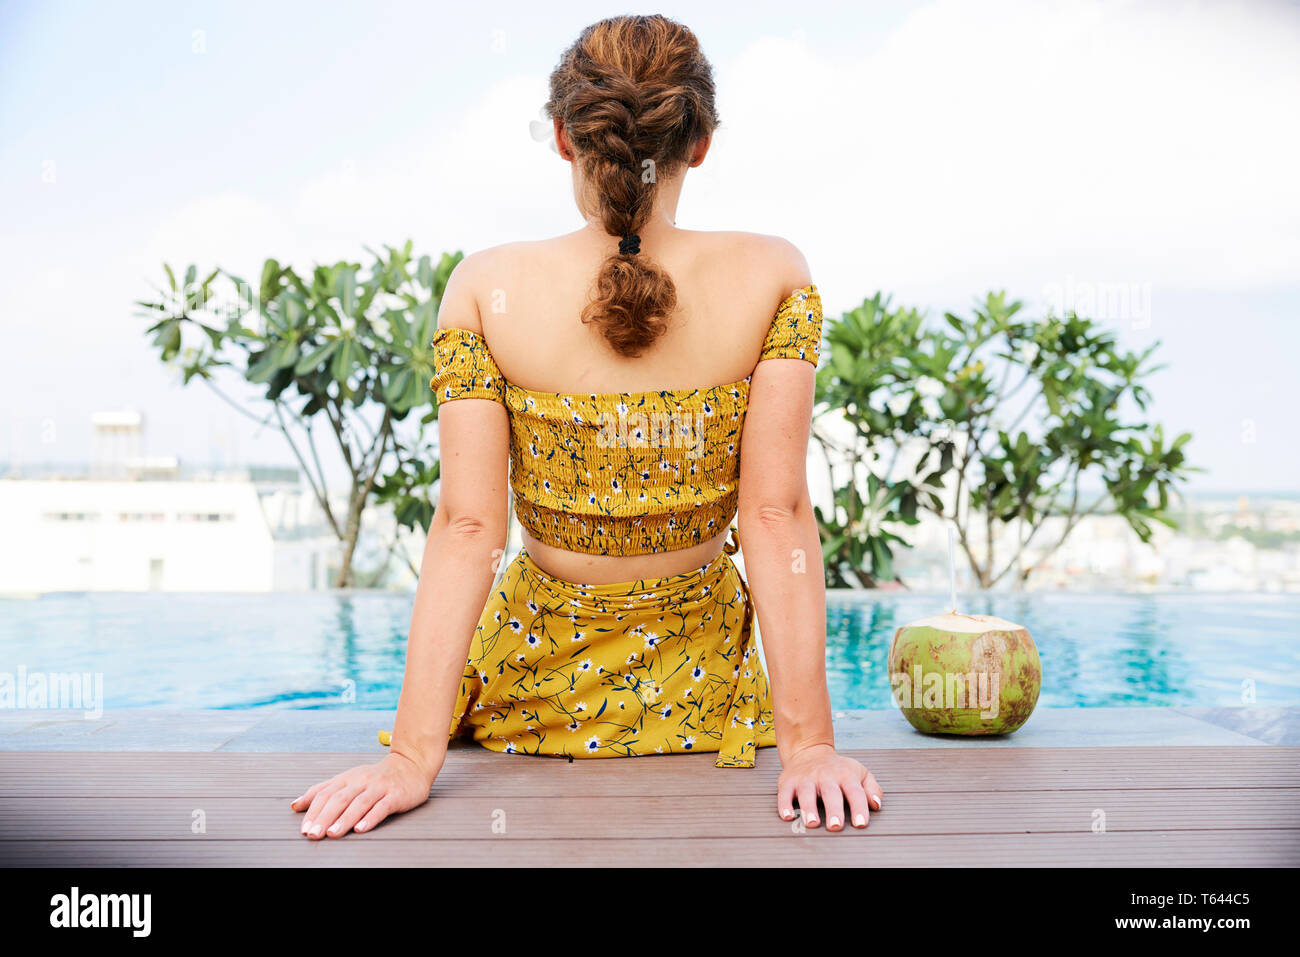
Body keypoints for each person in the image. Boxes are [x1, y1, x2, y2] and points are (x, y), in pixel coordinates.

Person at [292, 13, 883, 839]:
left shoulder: (482, 285)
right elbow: (776, 516)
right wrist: (810, 748)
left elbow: (469, 528)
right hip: (706, 694)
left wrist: (410, 760)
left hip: (527, 689)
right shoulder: (774, 273)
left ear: (566, 139)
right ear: (700, 143)